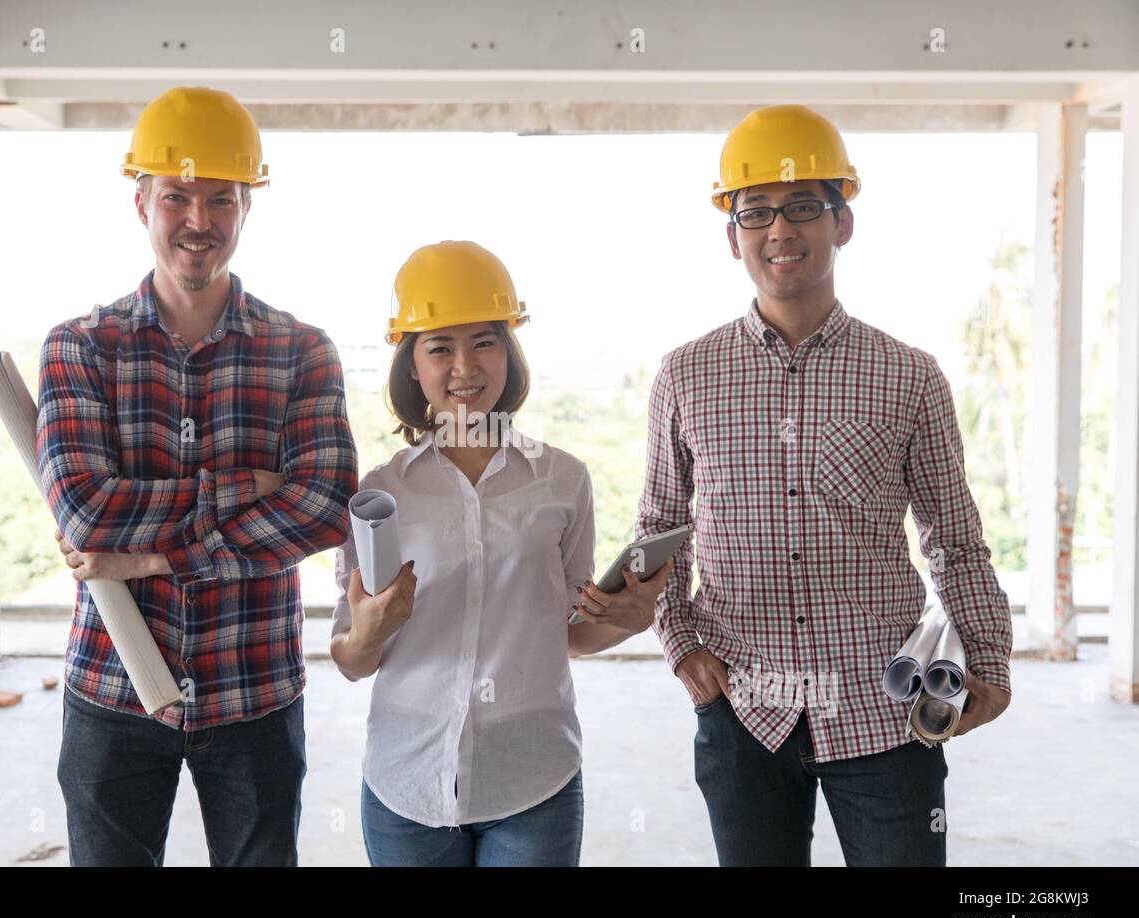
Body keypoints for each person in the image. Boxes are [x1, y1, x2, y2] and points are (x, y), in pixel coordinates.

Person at [634, 104, 1013, 866]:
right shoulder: (686, 374)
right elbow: (659, 527)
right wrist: (680, 647)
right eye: (757, 212)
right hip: (744, 710)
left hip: (885, 711)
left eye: (804, 206)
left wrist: (992, 660)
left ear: (843, 223)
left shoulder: (909, 375)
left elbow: (954, 538)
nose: (781, 230)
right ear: (732, 234)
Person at [36, 87, 358, 866]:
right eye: (176, 196)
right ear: (140, 202)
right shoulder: (80, 346)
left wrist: (151, 555)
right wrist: (245, 490)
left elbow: (323, 509)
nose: (198, 221)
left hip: (253, 689)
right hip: (112, 689)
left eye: (221, 198)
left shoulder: (302, 351)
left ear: (248, 208)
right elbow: (85, 514)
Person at [328, 240, 671, 866]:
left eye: (484, 341)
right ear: (411, 365)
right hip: (408, 776)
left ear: (509, 352)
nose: (466, 366)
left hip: (532, 774)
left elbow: (567, 632)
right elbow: (352, 659)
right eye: (439, 346)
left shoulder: (563, 479)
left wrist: (627, 620)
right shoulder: (381, 491)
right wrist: (371, 631)